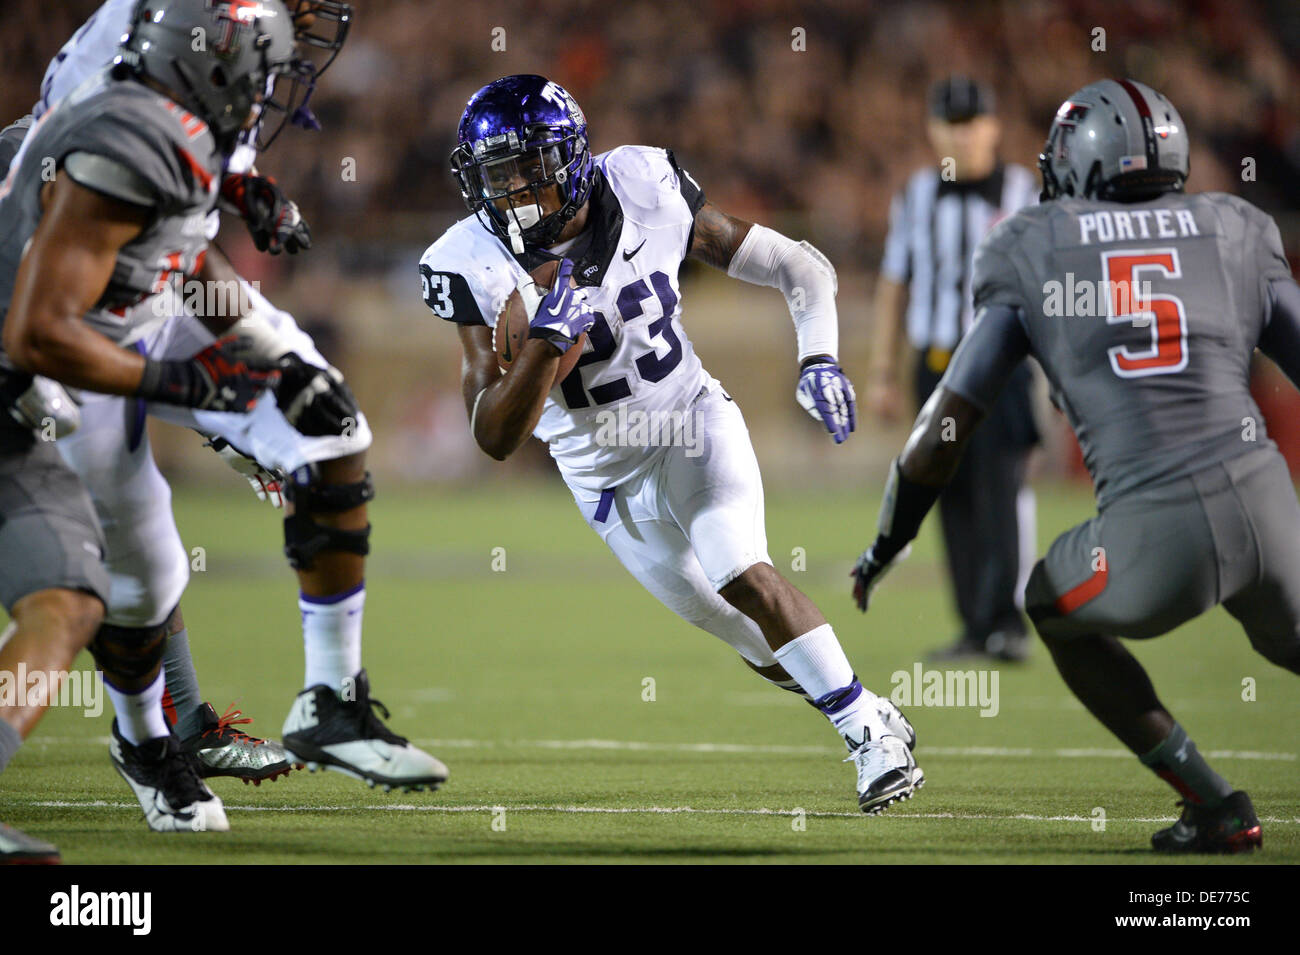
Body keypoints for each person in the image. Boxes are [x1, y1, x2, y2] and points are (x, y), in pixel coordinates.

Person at [421, 75, 921, 813]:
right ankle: (869, 707)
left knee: (739, 569)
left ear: (569, 160)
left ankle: (864, 739)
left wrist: (818, 357)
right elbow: (494, 433)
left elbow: (800, 266)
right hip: (603, 481)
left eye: (527, 171)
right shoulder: (469, 258)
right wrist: (543, 347)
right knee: (752, 636)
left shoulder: (646, 184)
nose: (514, 194)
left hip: (688, 423)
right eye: (497, 177)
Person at [852, 78, 1300, 852]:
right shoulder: (1235, 224)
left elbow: (940, 435)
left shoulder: (1036, 241)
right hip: (1268, 507)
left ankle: (1215, 803)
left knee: (1050, 602)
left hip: (1153, 531)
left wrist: (886, 543)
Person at [0, 0, 295, 855]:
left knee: (90, 582)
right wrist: (205, 397)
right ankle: (162, 733)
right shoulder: (108, 150)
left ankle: (166, 729)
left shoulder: (164, 123)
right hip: (38, 359)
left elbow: (157, 292)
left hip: (47, 377)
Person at [867, 76, 1040, 661]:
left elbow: (1045, 286)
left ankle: (1006, 623)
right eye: (950, 122)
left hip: (1001, 369)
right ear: (932, 128)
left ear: (993, 126)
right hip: (937, 366)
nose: (961, 134)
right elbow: (896, 282)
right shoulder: (916, 194)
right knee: (949, 494)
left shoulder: (1023, 190)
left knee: (1002, 492)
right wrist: (883, 370)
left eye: (971, 121)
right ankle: (975, 625)